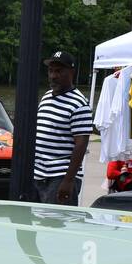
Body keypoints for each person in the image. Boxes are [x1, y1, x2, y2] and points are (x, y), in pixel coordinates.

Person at [33, 50, 93, 205]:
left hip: (60, 177)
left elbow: (81, 144)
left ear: (71, 72)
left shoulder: (79, 104)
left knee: (54, 224)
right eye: (51, 71)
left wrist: (68, 181)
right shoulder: (46, 97)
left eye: (59, 71)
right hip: (39, 174)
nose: (53, 76)